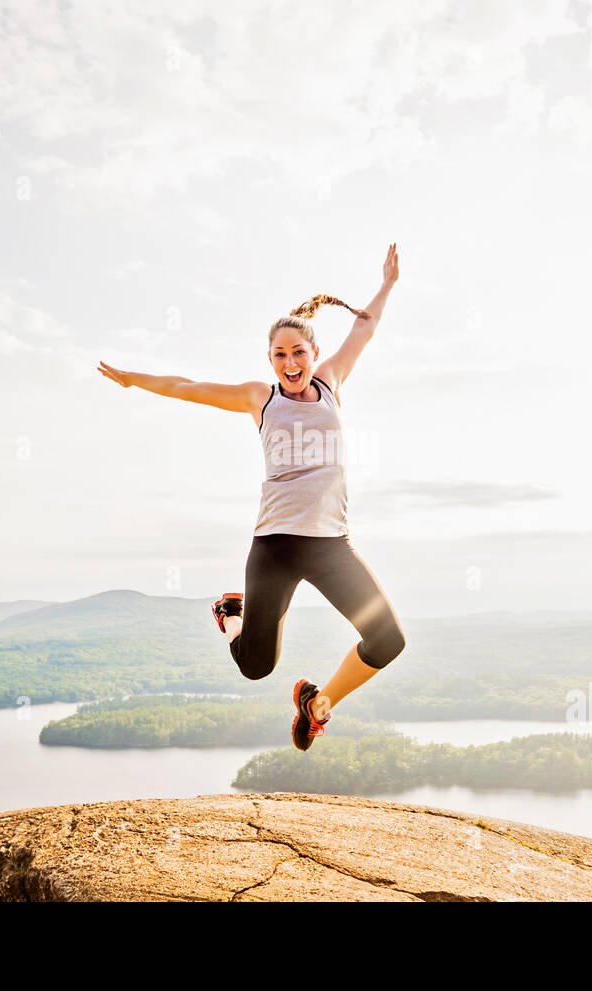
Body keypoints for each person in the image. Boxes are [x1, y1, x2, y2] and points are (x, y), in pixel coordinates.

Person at [98, 243, 406, 751]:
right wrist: (134, 380)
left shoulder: (331, 382)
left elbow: (363, 329)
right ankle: (231, 613)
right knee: (256, 667)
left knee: (388, 640)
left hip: (332, 545)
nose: (290, 362)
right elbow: (186, 385)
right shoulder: (258, 398)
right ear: (270, 360)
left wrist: (388, 284)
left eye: (299, 352)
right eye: (280, 355)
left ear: (313, 354)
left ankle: (318, 705)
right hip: (276, 547)